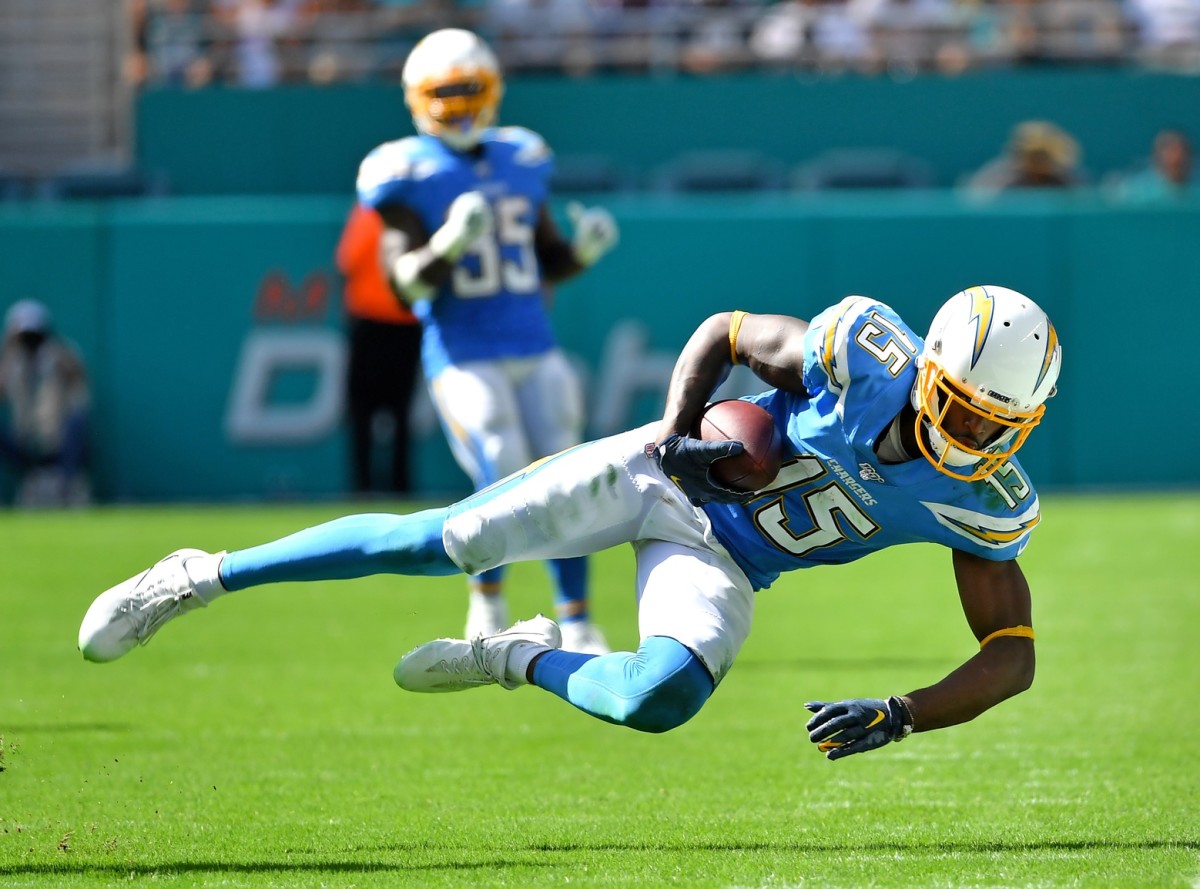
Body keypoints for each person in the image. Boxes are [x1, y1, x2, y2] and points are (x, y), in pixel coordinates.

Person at [80, 284, 1062, 760]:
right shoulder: (859, 352)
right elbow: (725, 332)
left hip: (725, 555)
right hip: (658, 474)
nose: (973, 432)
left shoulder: (982, 498)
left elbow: (1012, 651)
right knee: (443, 541)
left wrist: (904, 713)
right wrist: (681, 433)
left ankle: (512, 657)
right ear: (931, 370)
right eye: (966, 405)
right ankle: (199, 574)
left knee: (658, 699)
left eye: (996, 422)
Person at [354, 28, 620, 652]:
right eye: (446, 91)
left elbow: (545, 257)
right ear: (419, 97)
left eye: (471, 88)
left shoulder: (520, 156)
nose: (460, 103)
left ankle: (577, 617)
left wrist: (582, 251)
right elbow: (401, 286)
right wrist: (445, 243)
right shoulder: (403, 169)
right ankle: (488, 604)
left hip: (534, 343)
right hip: (464, 352)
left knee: (567, 476)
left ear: (494, 91)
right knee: (500, 468)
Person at [336, 201, 423, 496]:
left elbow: (347, 259)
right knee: (398, 410)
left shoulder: (368, 211)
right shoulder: (413, 209)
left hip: (377, 323)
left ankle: (364, 487)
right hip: (401, 323)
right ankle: (398, 487)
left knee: (366, 410)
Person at [0, 300, 91, 507]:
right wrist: (10, 350)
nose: (29, 341)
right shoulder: (13, 363)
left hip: (58, 441)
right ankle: (34, 477)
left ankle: (65, 483)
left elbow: (77, 374)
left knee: (78, 421)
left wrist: (50, 352)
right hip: (26, 443)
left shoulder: (57, 356)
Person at [962, 120, 1085, 198]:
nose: (1040, 161)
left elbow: (1083, 208)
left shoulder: (1066, 180)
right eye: (1036, 155)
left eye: (1044, 156)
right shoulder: (999, 180)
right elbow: (975, 207)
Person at [1106, 128, 1193, 203]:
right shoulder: (1137, 190)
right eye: (1169, 152)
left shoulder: (1195, 187)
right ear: (1157, 158)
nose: (1176, 158)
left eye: (1181, 155)